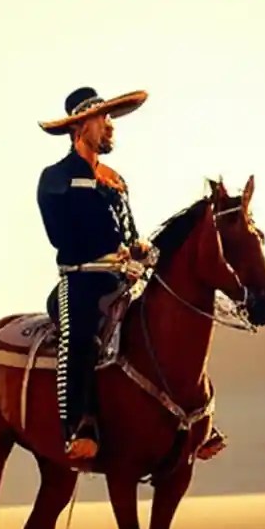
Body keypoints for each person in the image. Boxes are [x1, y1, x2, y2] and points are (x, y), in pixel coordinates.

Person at [36, 87, 226, 462]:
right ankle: (78, 426)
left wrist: (137, 248)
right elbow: (59, 233)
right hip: (81, 280)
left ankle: (192, 419)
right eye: (103, 119)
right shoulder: (56, 177)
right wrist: (110, 253)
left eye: (111, 119)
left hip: (125, 279)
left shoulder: (115, 179)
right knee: (80, 335)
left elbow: (128, 231)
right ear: (80, 127)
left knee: (169, 326)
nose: (110, 127)